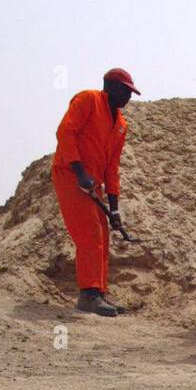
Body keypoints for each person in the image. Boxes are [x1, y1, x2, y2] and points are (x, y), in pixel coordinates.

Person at [52, 67, 140, 316]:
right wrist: (79, 171)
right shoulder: (87, 99)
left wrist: (114, 209)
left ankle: (99, 292)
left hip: (94, 184)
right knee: (90, 232)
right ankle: (88, 295)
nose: (129, 97)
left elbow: (112, 167)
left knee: (102, 233)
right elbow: (65, 132)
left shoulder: (121, 124)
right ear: (111, 86)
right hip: (70, 174)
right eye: (126, 91)